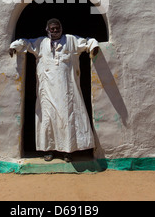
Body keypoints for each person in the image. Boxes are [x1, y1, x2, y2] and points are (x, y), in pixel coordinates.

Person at [9, 18, 99, 162]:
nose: (55, 31)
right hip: (47, 92)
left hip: (67, 92)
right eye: (52, 29)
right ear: (47, 30)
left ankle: (67, 151)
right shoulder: (41, 43)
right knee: (47, 119)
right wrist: (15, 46)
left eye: (57, 28)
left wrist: (93, 46)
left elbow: (87, 42)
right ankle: (48, 150)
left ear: (61, 29)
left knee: (67, 119)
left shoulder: (70, 40)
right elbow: (25, 43)